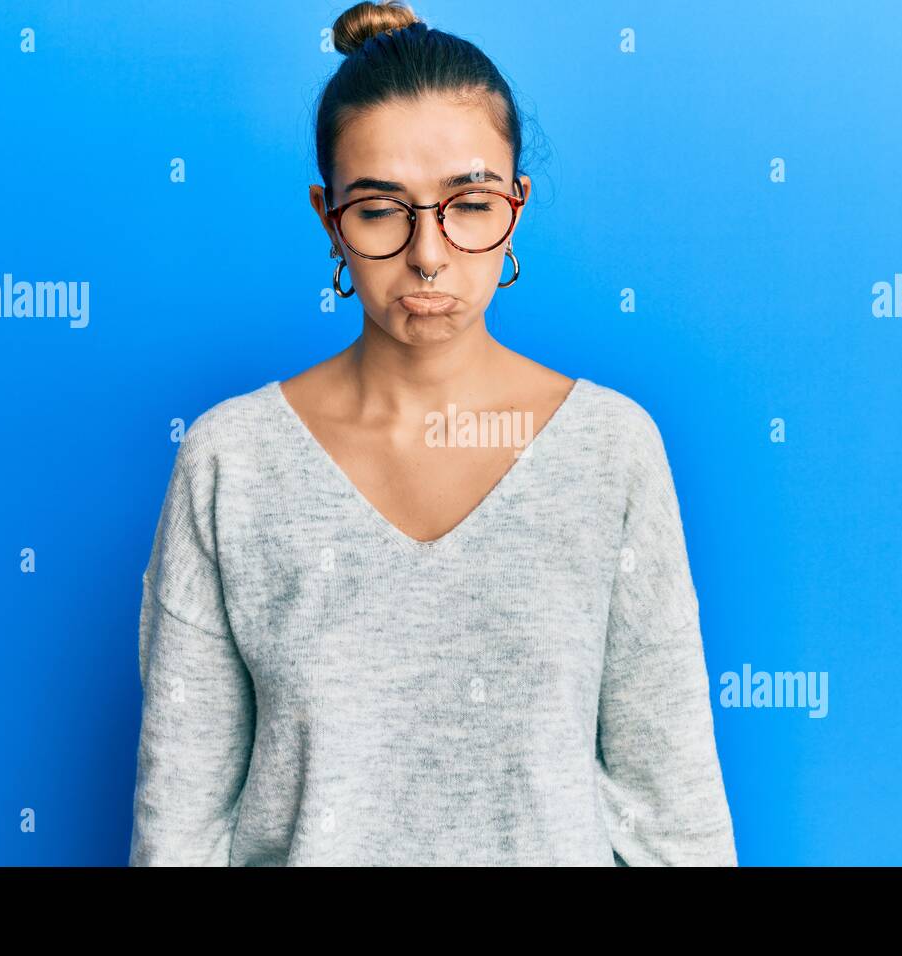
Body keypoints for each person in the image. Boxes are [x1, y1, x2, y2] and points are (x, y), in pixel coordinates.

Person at [128, 0, 738, 866]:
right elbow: (178, 826)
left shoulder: (612, 450)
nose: (428, 253)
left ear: (516, 207)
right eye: (381, 209)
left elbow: (675, 817)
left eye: (469, 203)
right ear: (328, 216)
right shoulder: (232, 462)